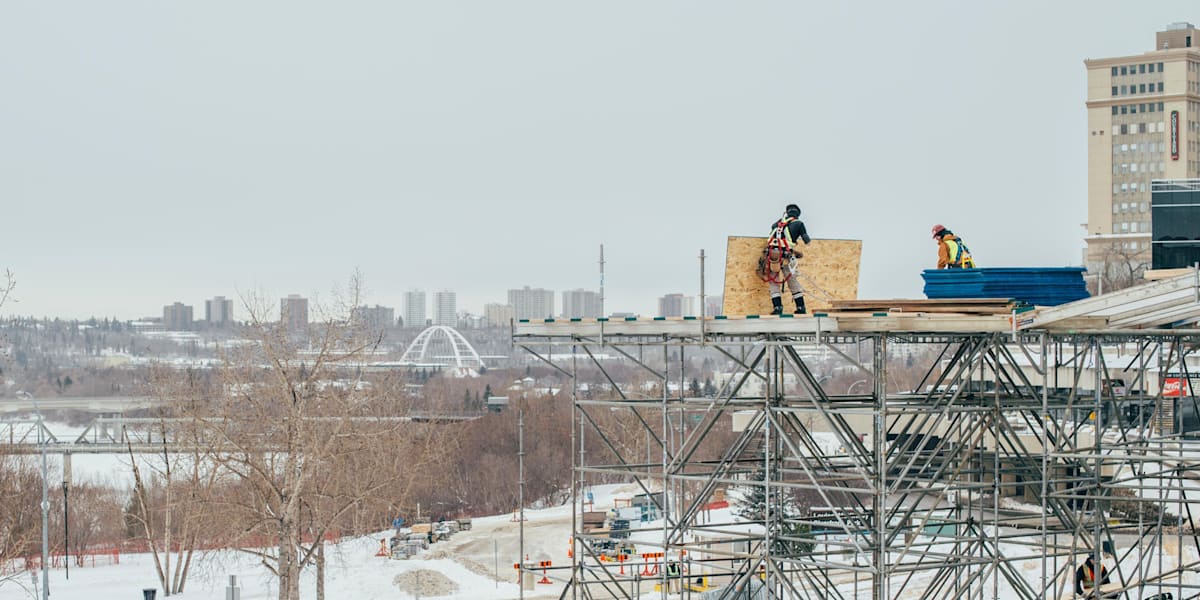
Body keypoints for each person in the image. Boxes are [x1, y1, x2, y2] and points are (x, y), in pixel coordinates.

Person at [757, 204, 811, 315]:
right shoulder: (799, 224)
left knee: (773, 282)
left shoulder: (775, 225)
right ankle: (801, 308)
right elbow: (807, 240)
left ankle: (777, 308)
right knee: (792, 281)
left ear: (787, 213)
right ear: (797, 214)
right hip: (786, 257)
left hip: (773, 257)